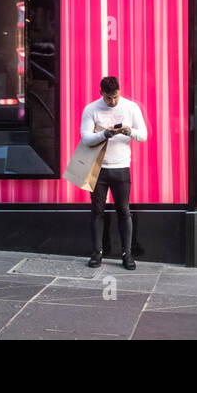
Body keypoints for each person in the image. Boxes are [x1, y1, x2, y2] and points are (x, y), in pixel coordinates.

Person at [81, 76, 148, 270]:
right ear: (101, 92)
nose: (113, 102)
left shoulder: (131, 107)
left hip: (121, 167)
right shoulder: (91, 109)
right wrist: (105, 134)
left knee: (124, 211)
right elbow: (86, 139)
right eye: (109, 98)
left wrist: (129, 132)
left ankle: (127, 254)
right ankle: (97, 253)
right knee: (97, 212)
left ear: (120, 91)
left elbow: (143, 135)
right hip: (97, 168)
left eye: (116, 97)